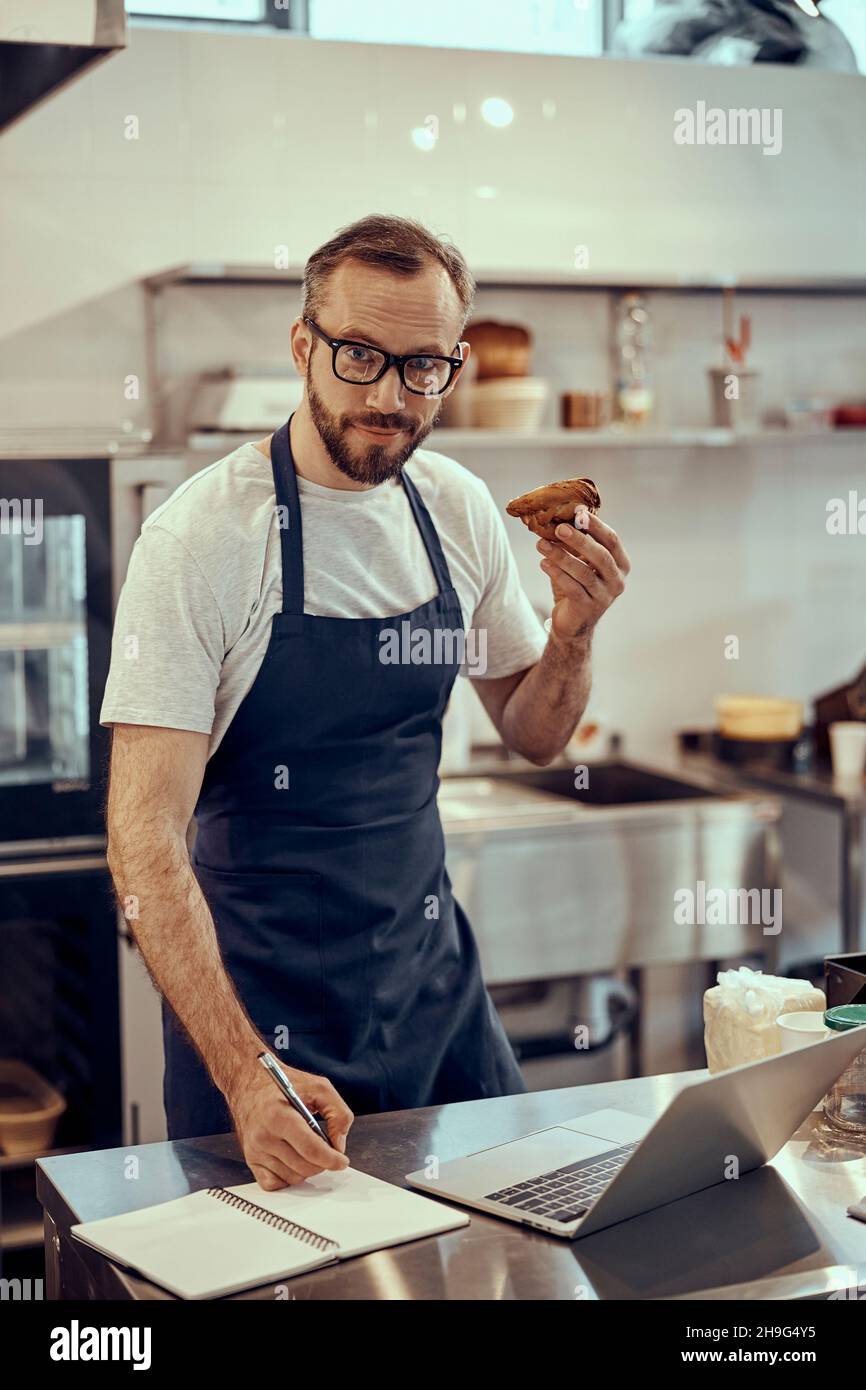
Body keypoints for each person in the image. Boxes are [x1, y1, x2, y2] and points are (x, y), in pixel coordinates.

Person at [102, 214, 630, 1190]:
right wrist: (245, 1073)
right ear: (302, 345)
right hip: (261, 1031)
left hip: (438, 1007)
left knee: (503, 1264)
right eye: (358, 356)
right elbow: (143, 841)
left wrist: (571, 632)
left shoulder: (457, 507)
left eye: (422, 365)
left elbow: (535, 733)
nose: (388, 397)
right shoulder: (201, 540)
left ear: (454, 362)